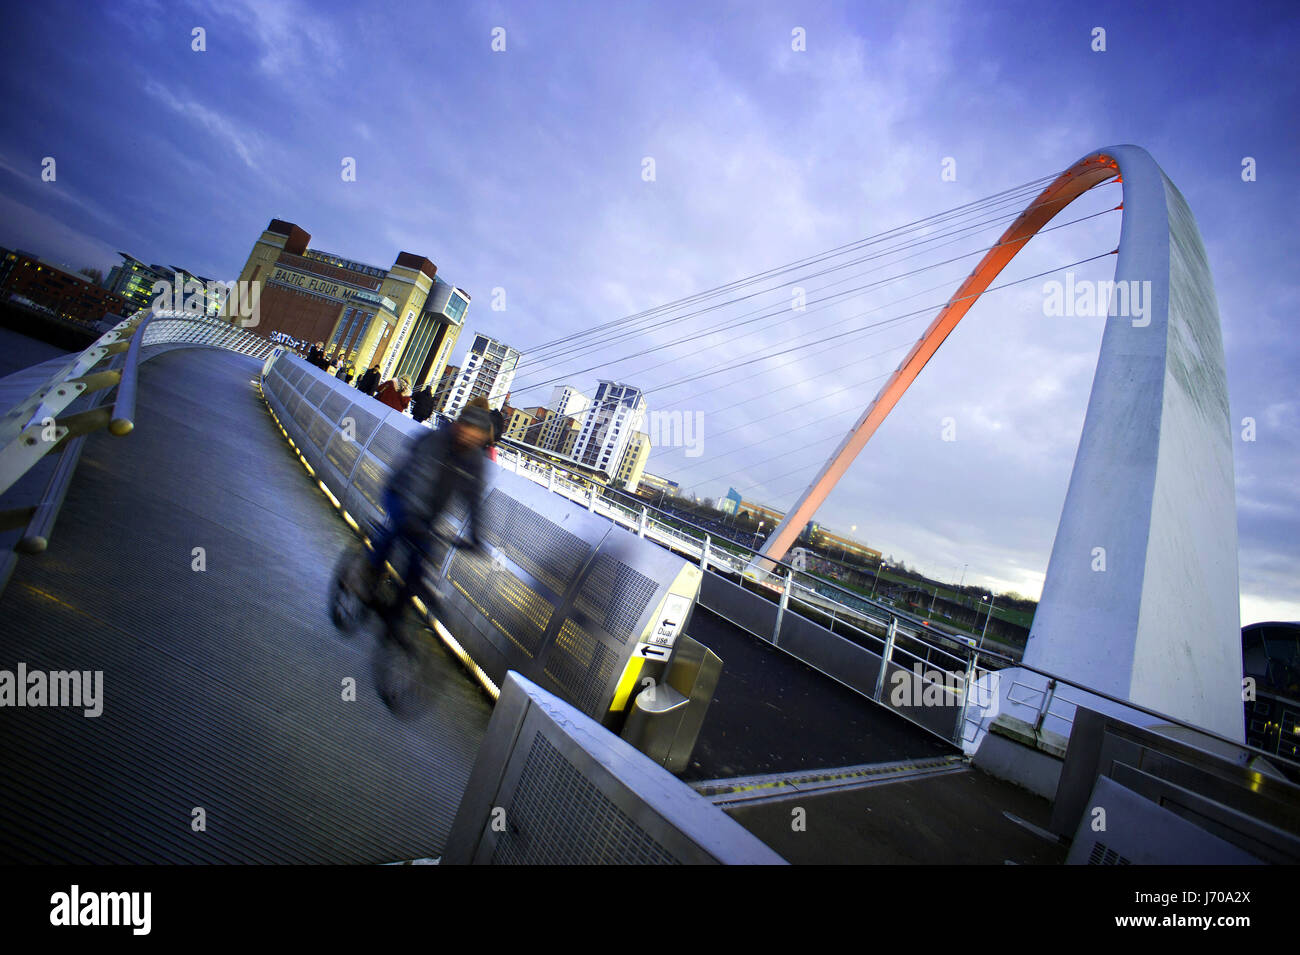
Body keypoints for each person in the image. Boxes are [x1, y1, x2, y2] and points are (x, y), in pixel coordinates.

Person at [363, 405, 492, 630]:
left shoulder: (475, 460)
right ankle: (367, 573)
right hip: (400, 494)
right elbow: (419, 477)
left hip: (428, 514)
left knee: (421, 561)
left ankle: (395, 615)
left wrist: (477, 537)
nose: (470, 436)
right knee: (395, 532)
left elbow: (474, 498)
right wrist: (411, 516)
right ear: (459, 425)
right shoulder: (435, 441)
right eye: (468, 429)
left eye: (476, 434)